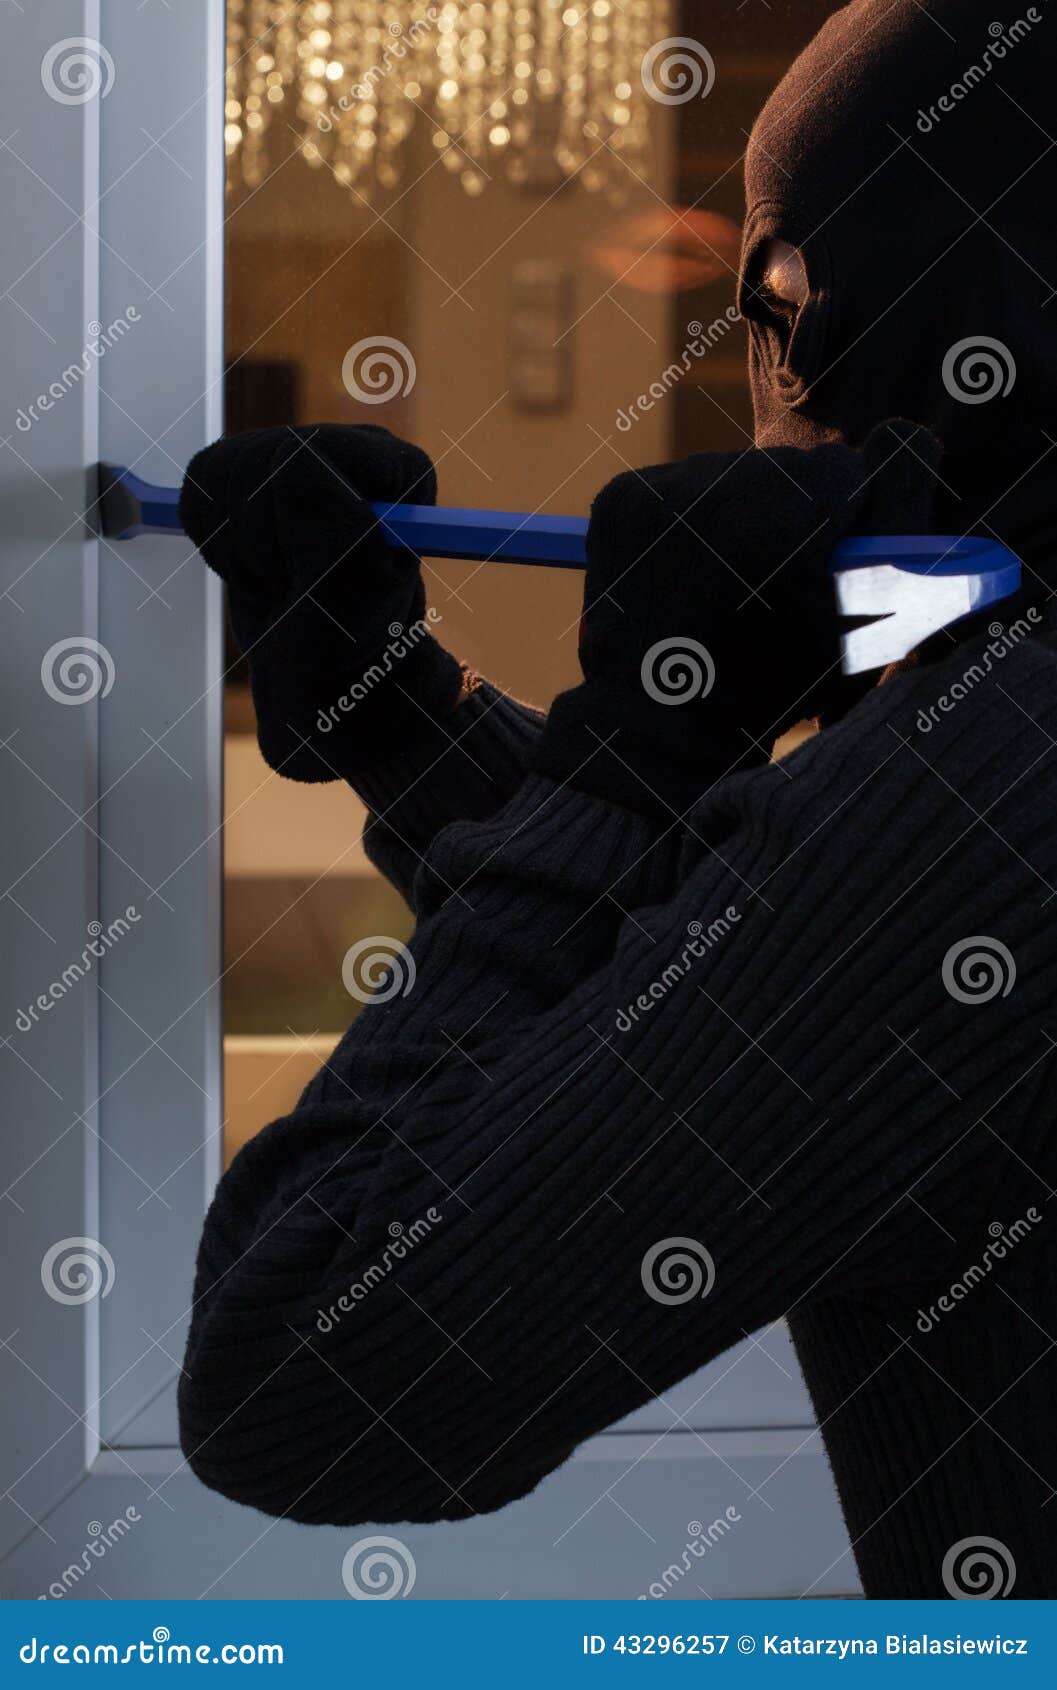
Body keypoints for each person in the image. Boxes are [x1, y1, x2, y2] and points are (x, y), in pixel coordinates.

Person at [176, 0, 1057, 1599]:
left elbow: (305, 1372)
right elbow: (727, 993)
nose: (765, 383)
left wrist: (630, 752)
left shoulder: (992, 771)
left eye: (780, 308)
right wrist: (420, 736)